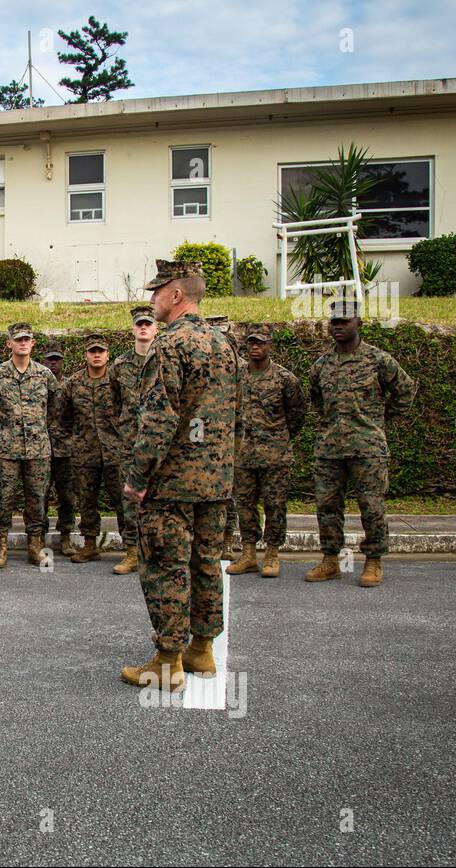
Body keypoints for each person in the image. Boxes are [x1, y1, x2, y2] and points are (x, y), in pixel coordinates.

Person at [121, 261, 237, 693]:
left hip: (173, 483)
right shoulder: (224, 345)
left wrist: (137, 476)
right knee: (206, 561)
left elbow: (158, 418)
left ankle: (168, 661)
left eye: (156, 292)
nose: (151, 300)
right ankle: (202, 650)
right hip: (215, 481)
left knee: (166, 565)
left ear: (175, 295)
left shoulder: (170, 346)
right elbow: (230, 414)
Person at [304, 299, 417, 587]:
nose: (338, 327)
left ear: (359, 324)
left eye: (345, 321)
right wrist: (329, 424)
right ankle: (331, 560)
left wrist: (378, 422)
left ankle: (374, 561)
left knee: (372, 506)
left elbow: (404, 390)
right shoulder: (321, 366)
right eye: (334, 322)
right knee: (327, 507)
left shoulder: (378, 360)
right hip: (329, 449)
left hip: (368, 449)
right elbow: (316, 400)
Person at [226, 326, 307, 578]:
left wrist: (280, 438)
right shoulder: (236, 376)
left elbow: (297, 414)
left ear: (270, 345)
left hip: (275, 456)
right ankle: (249, 553)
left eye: (260, 342)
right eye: (251, 342)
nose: (255, 347)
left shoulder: (285, 379)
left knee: (275, 505)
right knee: (245, 506)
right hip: (243, 456)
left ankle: (272, 553)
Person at [0, 322, 58, 567]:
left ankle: (35, 544)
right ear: (9, 344)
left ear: (33, 343)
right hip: (6, 449)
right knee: (3, 498)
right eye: (18, 339)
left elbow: (54, 411)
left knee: (37, 499)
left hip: (38, 449)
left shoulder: (44, 375)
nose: (23, 343)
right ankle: (0, 545)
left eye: (27, 339)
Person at [59, 332, 124, 565]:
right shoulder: (73, 383)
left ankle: (134, 549)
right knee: (86, 500)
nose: (97, 355)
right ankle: (89, 545)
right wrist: (75, 441)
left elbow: (129, 412)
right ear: (85, 355)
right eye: (92, 351)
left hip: (115, 452)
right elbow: (63, 418)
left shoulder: (117, 381)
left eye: (101, 352)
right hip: (84, 453)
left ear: (108, 355)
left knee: (123, 501)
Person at [109, 306, 157, 574]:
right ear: (132, 329)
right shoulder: (119, 365)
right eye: (139, 324)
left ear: (155, 329)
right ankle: (131, 552)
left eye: (148, 324)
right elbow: (117, 401)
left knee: (157, 498)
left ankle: (155, 552)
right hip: (129, 442)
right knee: (129, 497)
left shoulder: (164, 360)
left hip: (157, 443)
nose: (143, 328)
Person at [206, 314, 243, 553]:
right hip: (202, 442)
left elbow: (241, 411)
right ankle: (208, 539)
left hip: (229, 440)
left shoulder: (238, 369)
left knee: (228, 494)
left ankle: (227, 538)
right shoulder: (199, 369)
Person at [40, 341, 76, 557]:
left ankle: (65, 536)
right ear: (43, 359)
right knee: (38, 495)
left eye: (57, 359)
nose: (53, 362)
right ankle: (38, 536)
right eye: (50, 358)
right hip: (41, 447)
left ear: (62, 360)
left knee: (67, 496)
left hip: (65, 448)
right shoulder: (37, 381)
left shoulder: (71, 384)